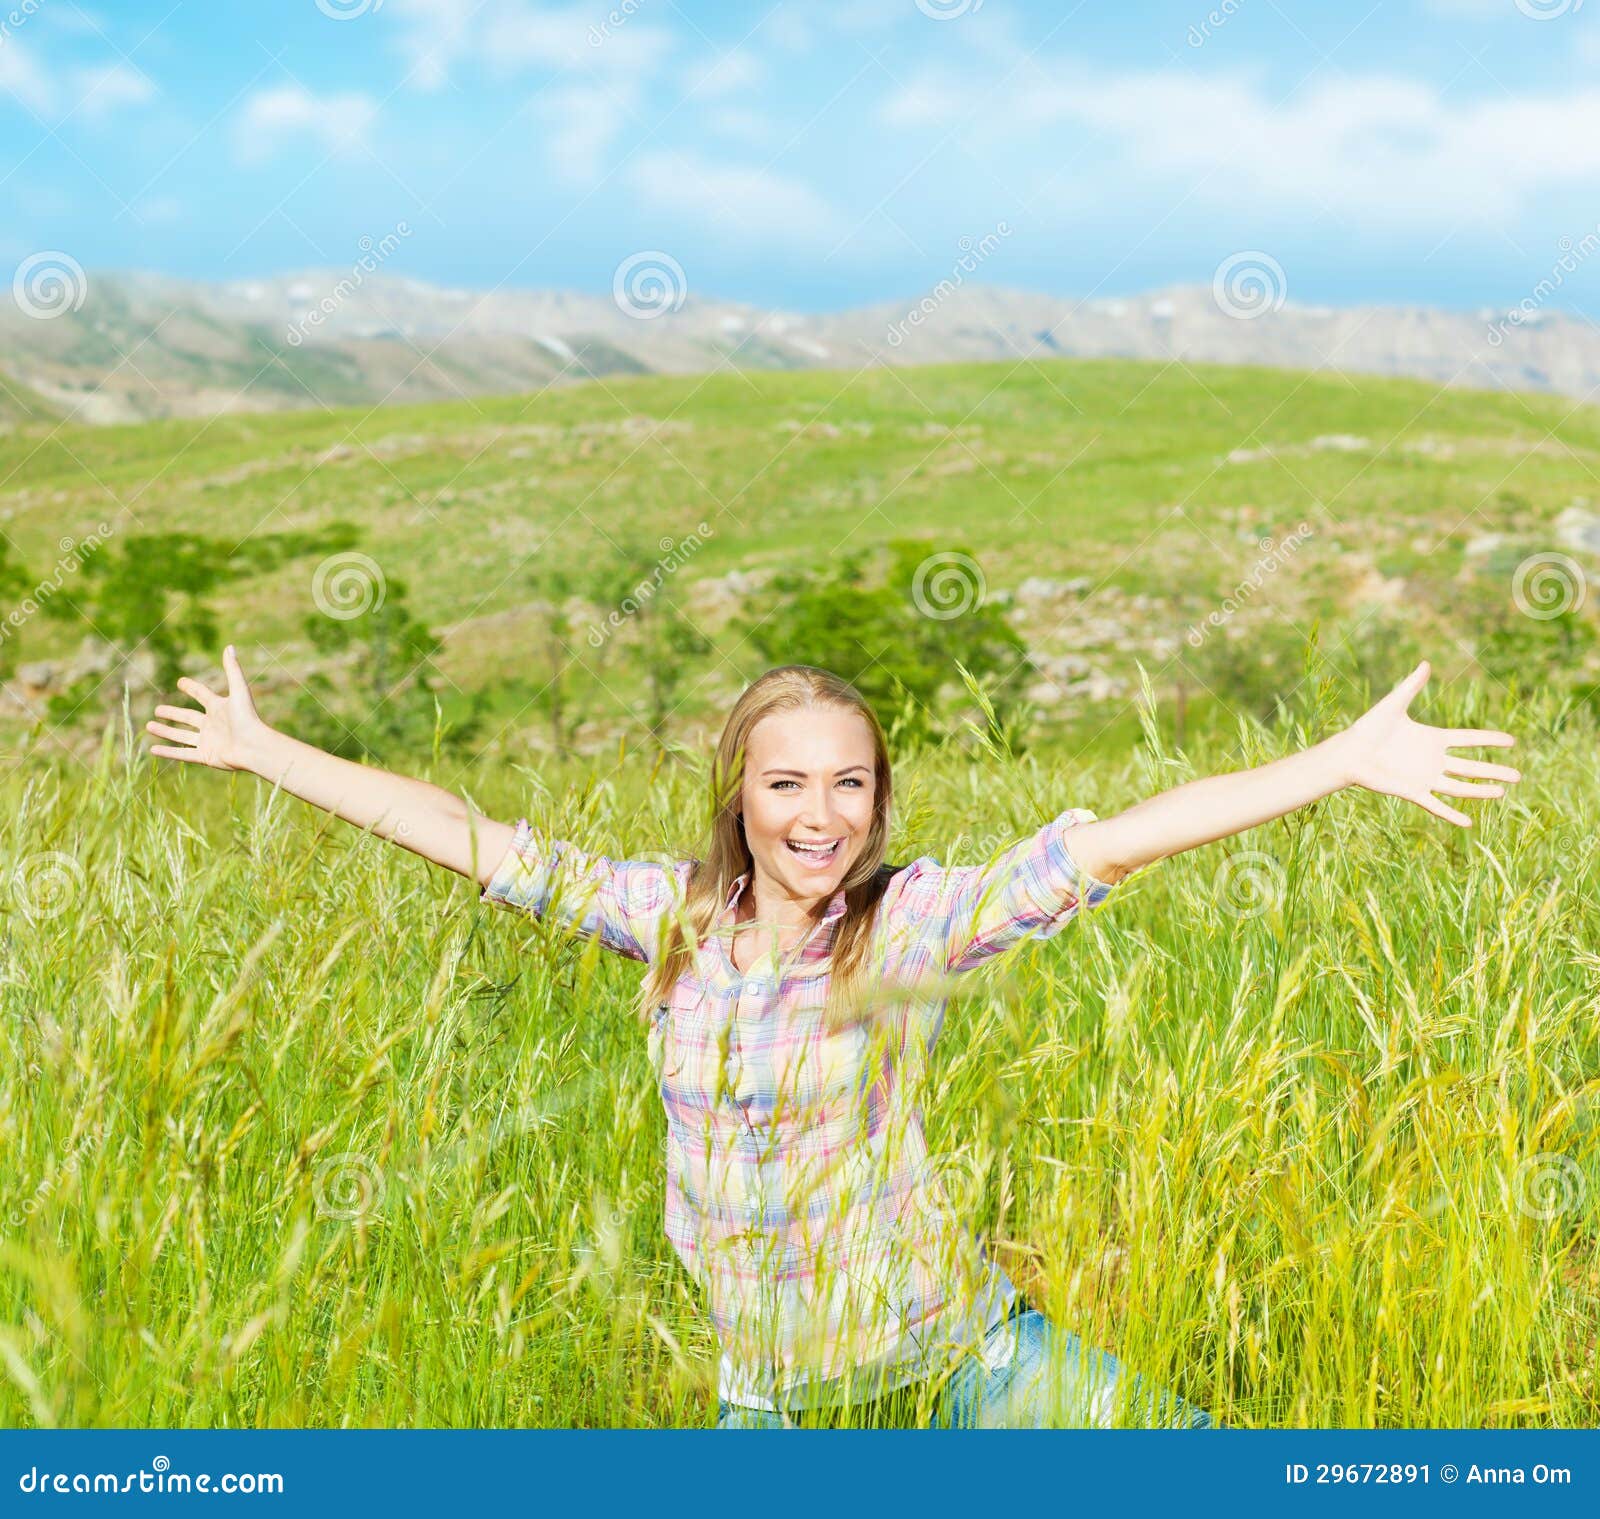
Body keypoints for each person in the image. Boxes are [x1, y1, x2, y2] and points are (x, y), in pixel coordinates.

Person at [145, 649, 1520, 1428]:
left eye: (848, 782)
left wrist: (1333, 764)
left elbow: (1117, 843)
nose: (820, 812)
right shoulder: (664, 918)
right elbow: (465, 838)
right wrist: (269, 752)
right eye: (787, 781)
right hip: (781, 1410)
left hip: (967, 1368)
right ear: (738, 795)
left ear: (878, 799)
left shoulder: (912, 923)